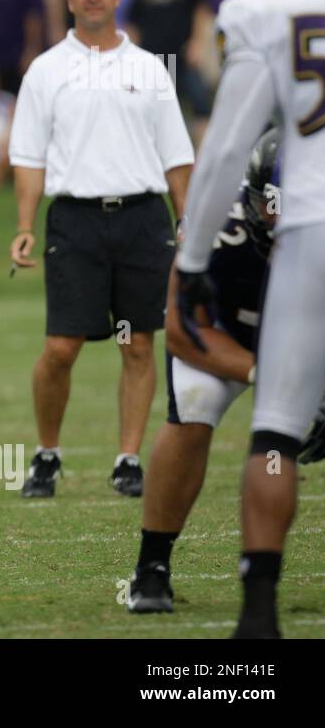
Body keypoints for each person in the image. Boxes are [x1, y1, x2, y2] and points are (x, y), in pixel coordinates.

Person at [173, 0, 325, 638]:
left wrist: (195, 254)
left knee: (276, 434)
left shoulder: (269, 11)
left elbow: (230, 148)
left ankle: (259, 615)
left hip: (312, 222)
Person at [8, 0, 194, 499]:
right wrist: (25, 224)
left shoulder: (149, 67)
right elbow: (28, 156)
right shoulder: (45, 69)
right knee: (62, 347)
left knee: (138, 344)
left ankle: (128, 458)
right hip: (75, 219)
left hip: (142, 216)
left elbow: (176, 153)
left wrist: (186, 219)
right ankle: (47, 452)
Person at [126, 132, 287, 613]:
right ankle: (152, 566)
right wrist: (266, 375)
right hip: (222, 339)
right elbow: (181, 333)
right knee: (193, 413)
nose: (281, 223)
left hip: (301, 345)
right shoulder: (216, 222)